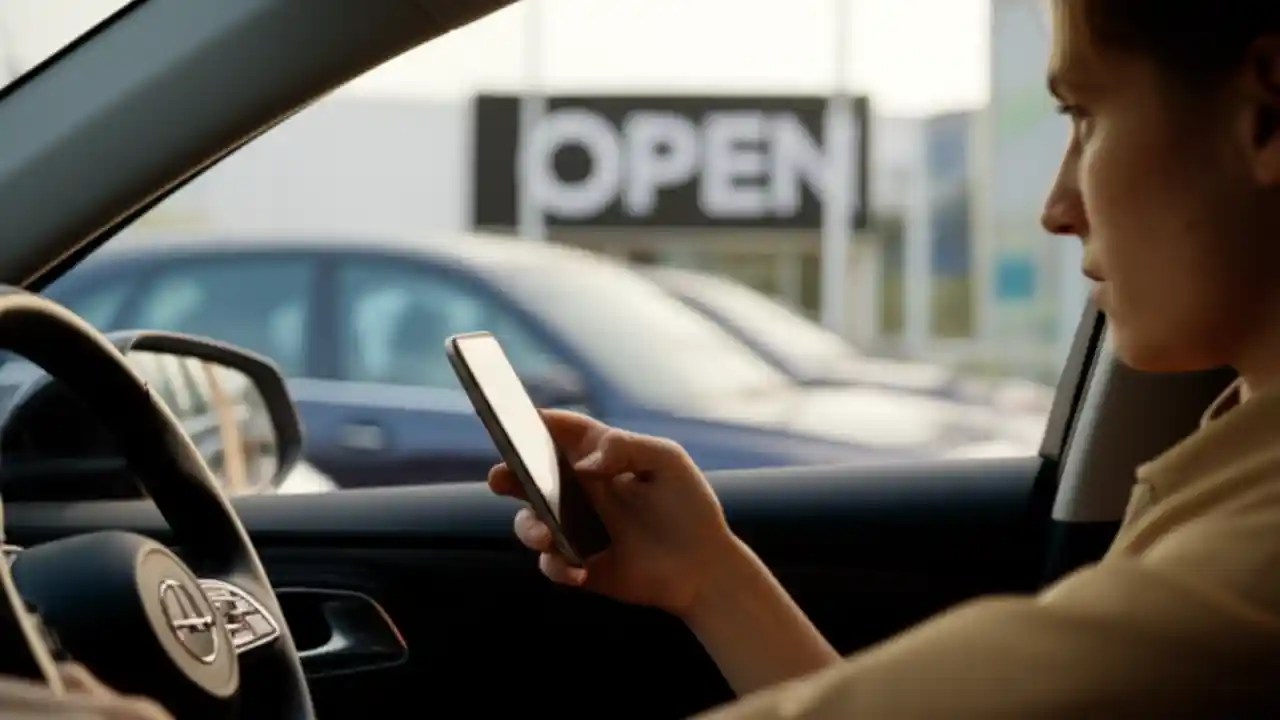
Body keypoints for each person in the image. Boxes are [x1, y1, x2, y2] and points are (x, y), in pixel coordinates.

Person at [489, 1, 1280, 717]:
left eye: (1085, 117)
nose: (1057, 208)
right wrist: (709, 576)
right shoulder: (1233, 466)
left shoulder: (1248, 570)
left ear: (1265, 112)